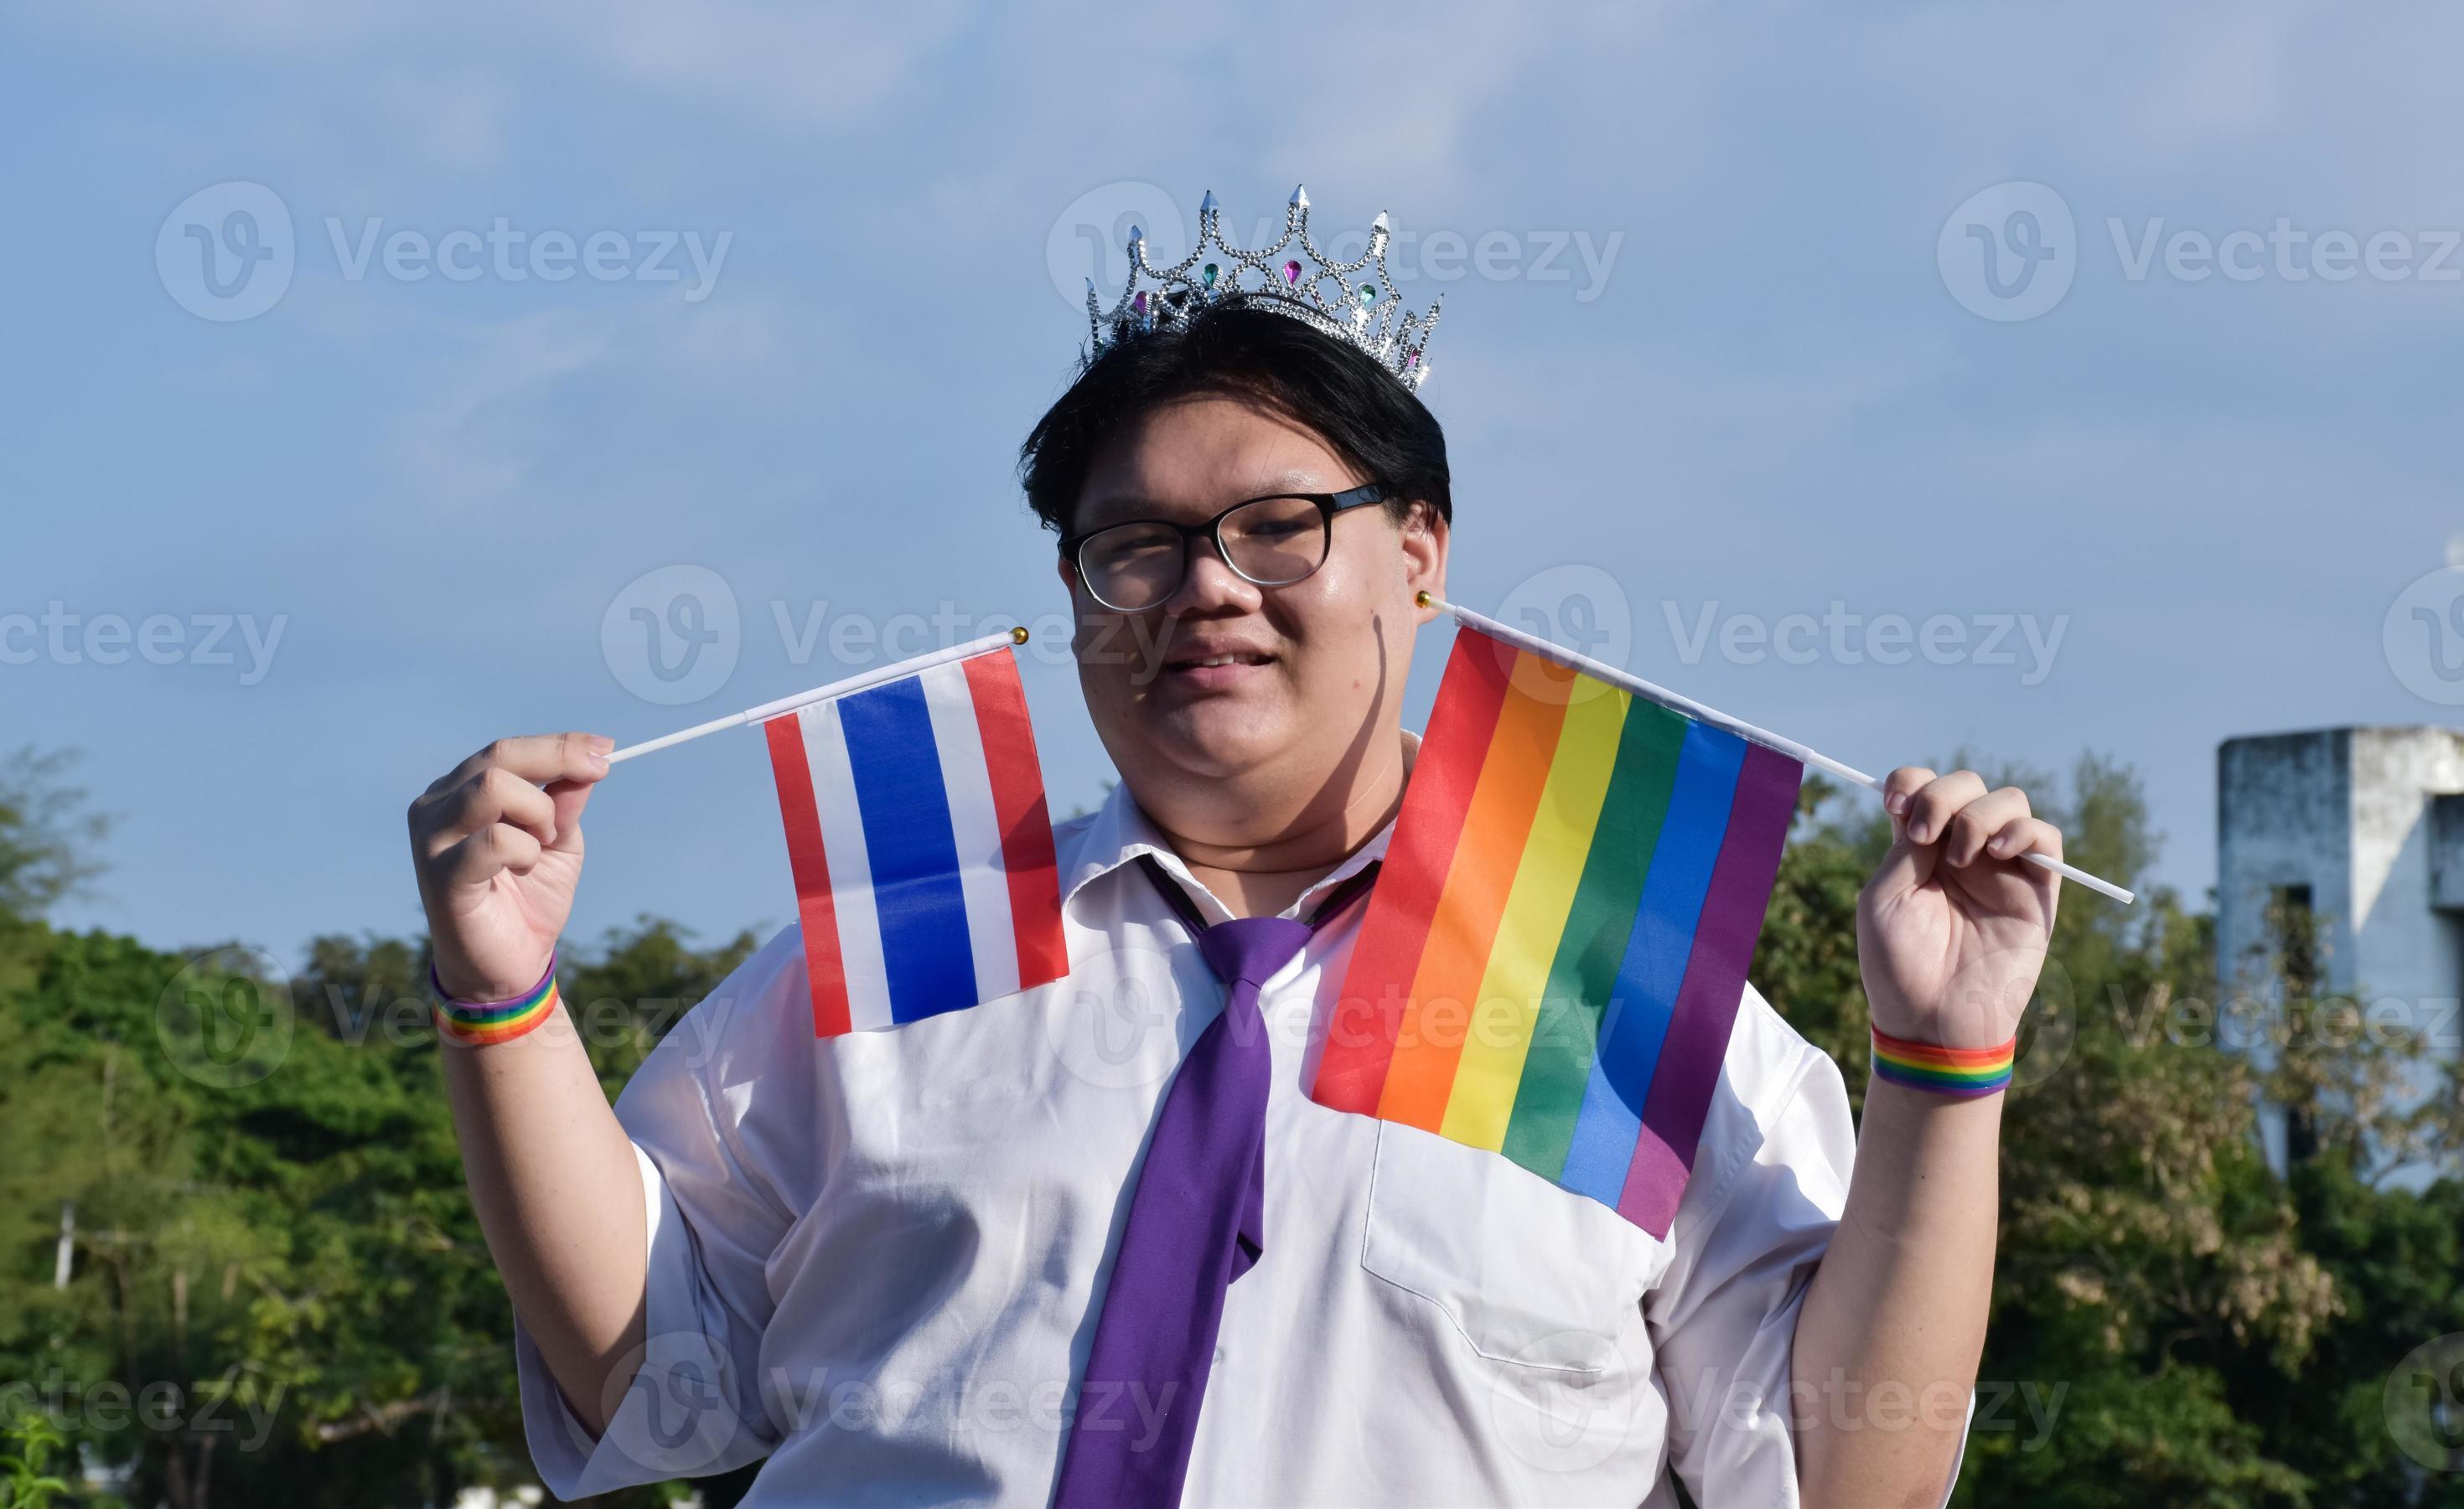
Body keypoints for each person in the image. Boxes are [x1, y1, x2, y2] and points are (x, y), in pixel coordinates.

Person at [408, 231, 2062, 1505]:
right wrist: (503, 999)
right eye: (1136, 544)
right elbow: (649, 1372)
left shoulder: (1608, 972)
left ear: (1418, 555)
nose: (1204, 585)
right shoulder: (925, 927)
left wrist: (1943, 1058)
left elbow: (1851, 1473)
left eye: (1279, 525)